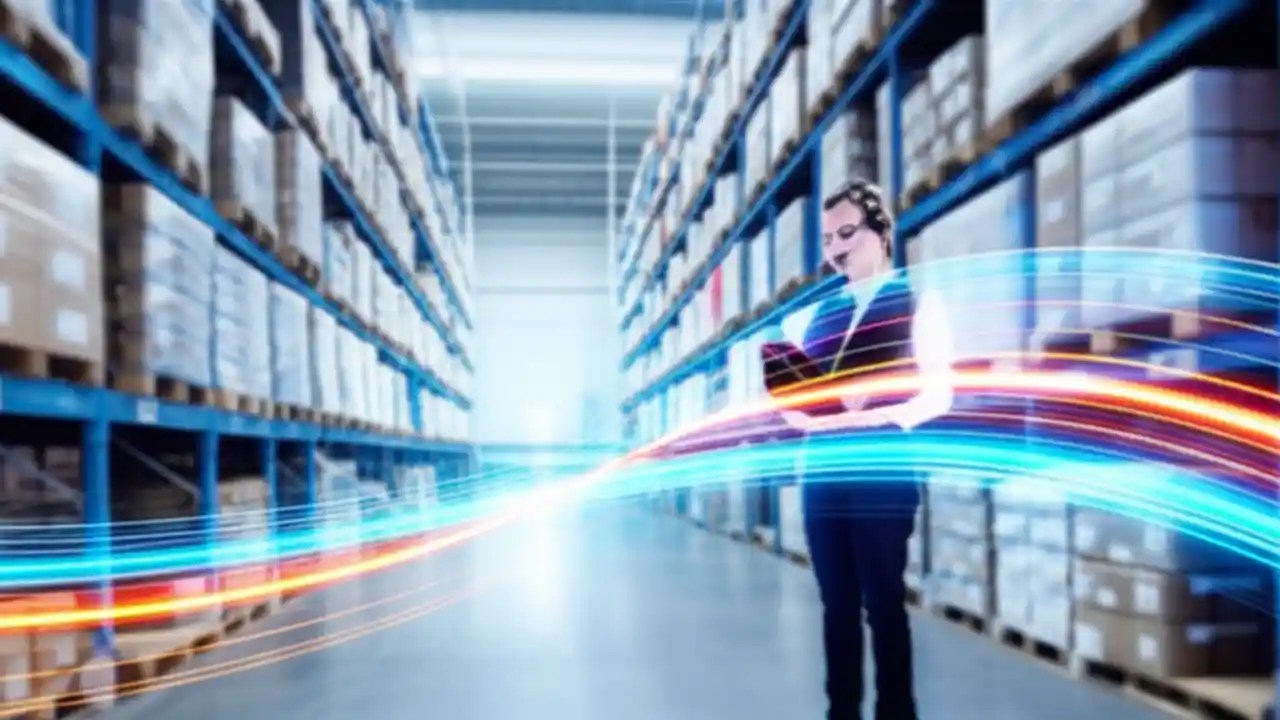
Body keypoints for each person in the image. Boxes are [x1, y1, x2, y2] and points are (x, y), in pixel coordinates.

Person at [773, 178, 954, 720]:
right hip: (822, 472)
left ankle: (896, 711)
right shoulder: (816, 317)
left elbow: (939, 393)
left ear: (882, 231)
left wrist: (873, 410)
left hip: (881, 468)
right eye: (828, 239)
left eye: (847, 233)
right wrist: (804, 408)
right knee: (836, 606)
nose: (836, 249)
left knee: (883, 602)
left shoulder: (918, 302)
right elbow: (794, 403)